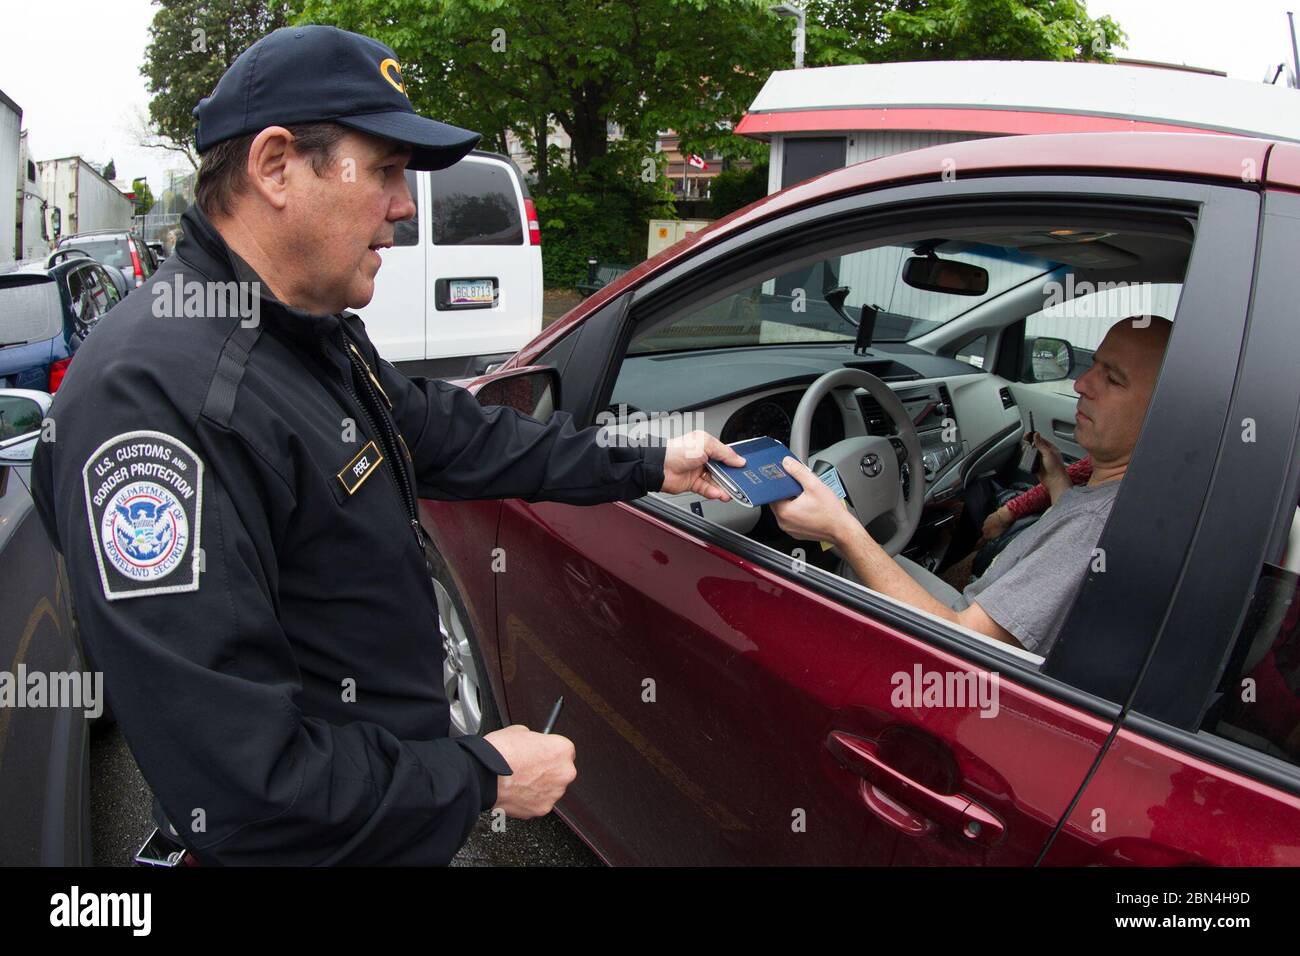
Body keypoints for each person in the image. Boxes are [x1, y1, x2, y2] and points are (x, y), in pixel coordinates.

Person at [29, 25, 743, 866]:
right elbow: (243, 788)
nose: (405, 205)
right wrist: (479, 777)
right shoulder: (156, 404)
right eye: (385, 170)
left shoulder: (303, 327)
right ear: (275, 166)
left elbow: (445, 432)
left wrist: (647, 459)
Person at [771, 316, 1173, 656]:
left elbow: (963, 642)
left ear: (1168, 412)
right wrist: (1056, 481)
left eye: (1113, 379)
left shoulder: (1094, 527)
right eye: (1094, 365)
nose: (1081, 383)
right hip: (980, 610)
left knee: (845, 564)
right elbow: (1071, 531)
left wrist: (842, 530)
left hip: (959, 641)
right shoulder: (1132, 496)